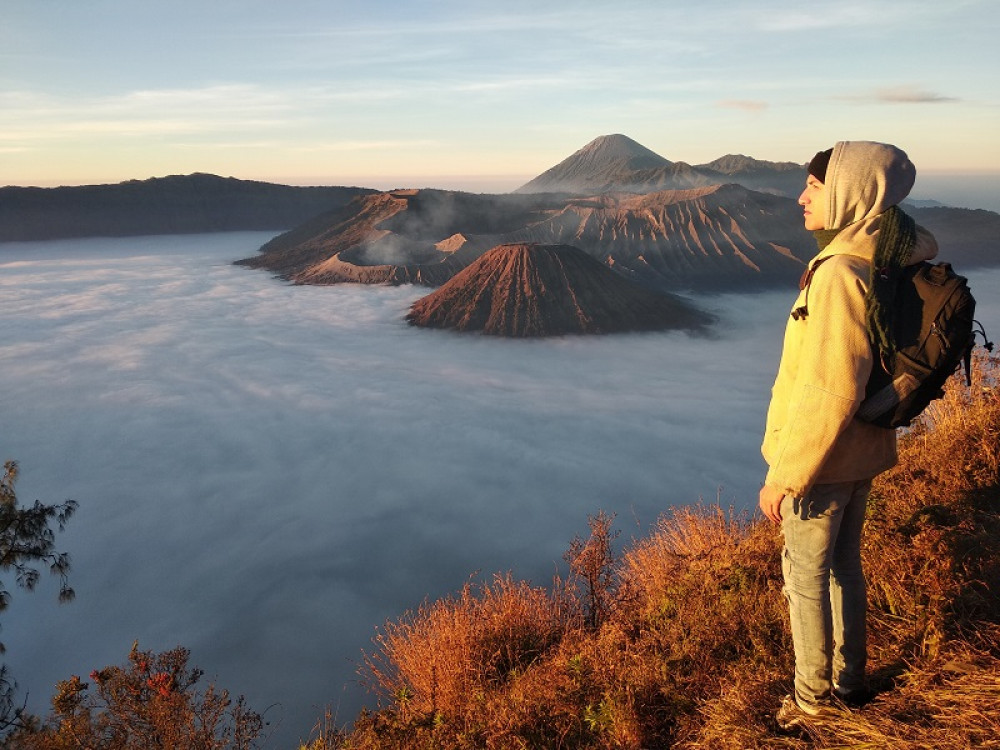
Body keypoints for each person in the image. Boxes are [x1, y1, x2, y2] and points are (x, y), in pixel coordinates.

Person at [758, 141, 939, 728]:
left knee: (804, 576)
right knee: (844, 567)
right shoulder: (887, 253)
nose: (802, 198)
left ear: (847, 193)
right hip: (866, 447)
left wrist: (787, 475)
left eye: (815, 186)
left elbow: (830, 389)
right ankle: (850, 681)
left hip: (824, 458)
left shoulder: (839, 272)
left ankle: (812, 702)